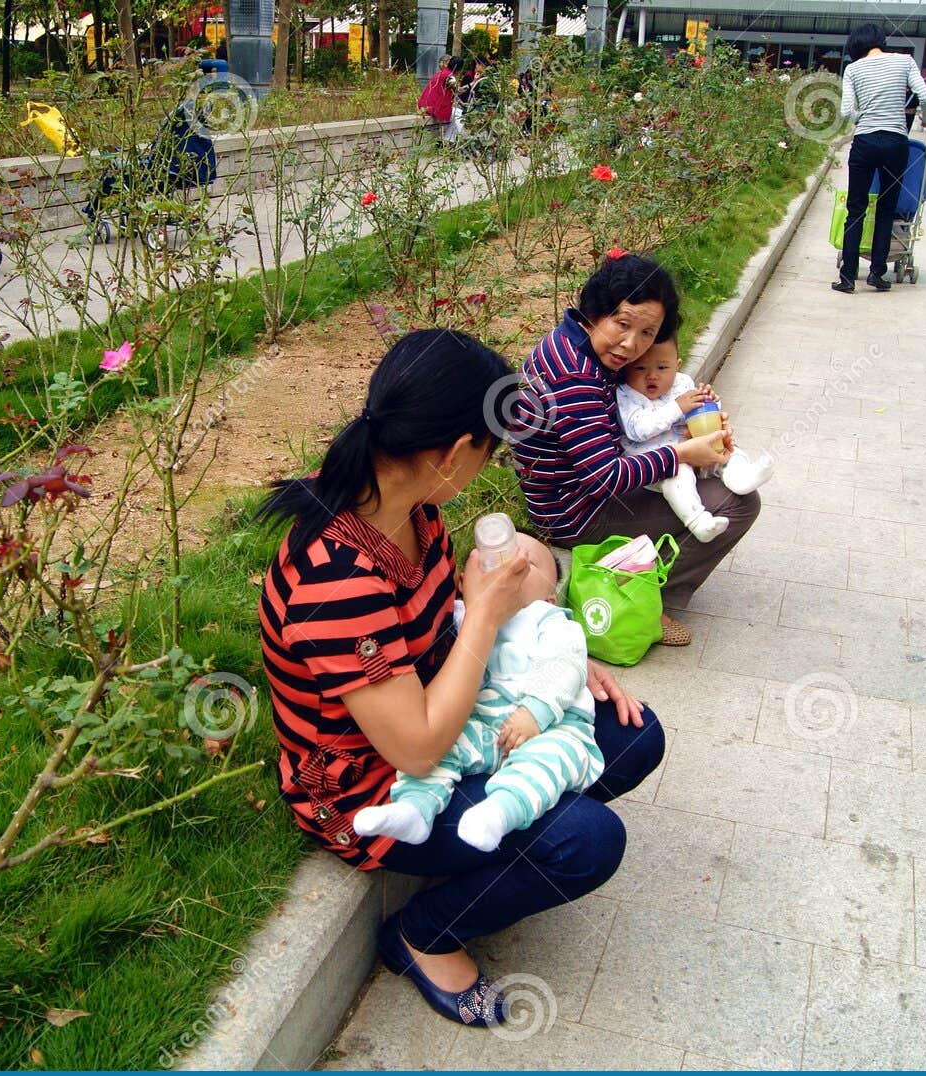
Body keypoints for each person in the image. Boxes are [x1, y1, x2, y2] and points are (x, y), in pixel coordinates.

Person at [259, 330, 665, 1028]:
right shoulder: (336, 580)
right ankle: (426, 933)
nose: (487, 465)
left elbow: (445, 628)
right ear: (451, 454)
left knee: (635, 736)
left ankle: (497, 834)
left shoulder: (413, 511)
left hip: (454, 719)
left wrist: (552, 658)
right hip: (375, 787)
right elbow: (415, 748)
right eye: (488, 451)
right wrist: (486, 615)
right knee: (587, 842)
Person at [511, 254, 747, 647]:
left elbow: (641, 411)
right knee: (738, 502)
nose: (631, 345)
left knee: (717, 482)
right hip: (574, 513)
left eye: (647, 333)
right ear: (596, 311)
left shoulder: (578, 344)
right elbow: (604, 478)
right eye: (622, 324)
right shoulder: (575, 374)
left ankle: (642, 577)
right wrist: (682, 454)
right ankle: (648, 603)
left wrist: (698, 422)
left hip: (578, 492)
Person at [352, 533, 603, 854]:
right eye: (494, 558)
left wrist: (535, 712)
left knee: (551, 760)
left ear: (550, 598)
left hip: (546, 726)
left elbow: (565, 666)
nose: (509, 566)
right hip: (482, 725)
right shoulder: (461, 615)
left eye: (527, 564)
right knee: (444, 751)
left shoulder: (549, 620)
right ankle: (414, 809)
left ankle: (500, 812)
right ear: (463, 582)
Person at [615, 335, 773, 543]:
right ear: (626, 368)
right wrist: (678, 407)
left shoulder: (681, 383)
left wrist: (710, 402)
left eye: (662, 368)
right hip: (660, 465)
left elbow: (697, 413)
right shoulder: (626, 394)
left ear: (677, 366)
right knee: (677, 479)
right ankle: (698, 521)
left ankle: (740, 477)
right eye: (640, 368)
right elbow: (638, 430)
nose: (652, 375)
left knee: (725, 446)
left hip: (693, 448)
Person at [834, 23, 926, 293]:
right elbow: (925, 95)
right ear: (880, 40)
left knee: (856, 208)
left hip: (865, 142)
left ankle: (848, 277)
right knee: (886, 208)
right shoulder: (904, 61)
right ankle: (877, 273)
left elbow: (846, 112)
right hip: (895, 142)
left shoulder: (853, 69)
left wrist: (863, 117)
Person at [417, 55, 462, 143]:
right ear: (459, 69)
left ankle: (447, 139)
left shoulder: (441, 73)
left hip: (425, 105)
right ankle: (448, 140)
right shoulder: (450, 77)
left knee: (457, 113)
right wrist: (472, 83)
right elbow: (458, 91)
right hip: (434, 108)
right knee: (459, 116)